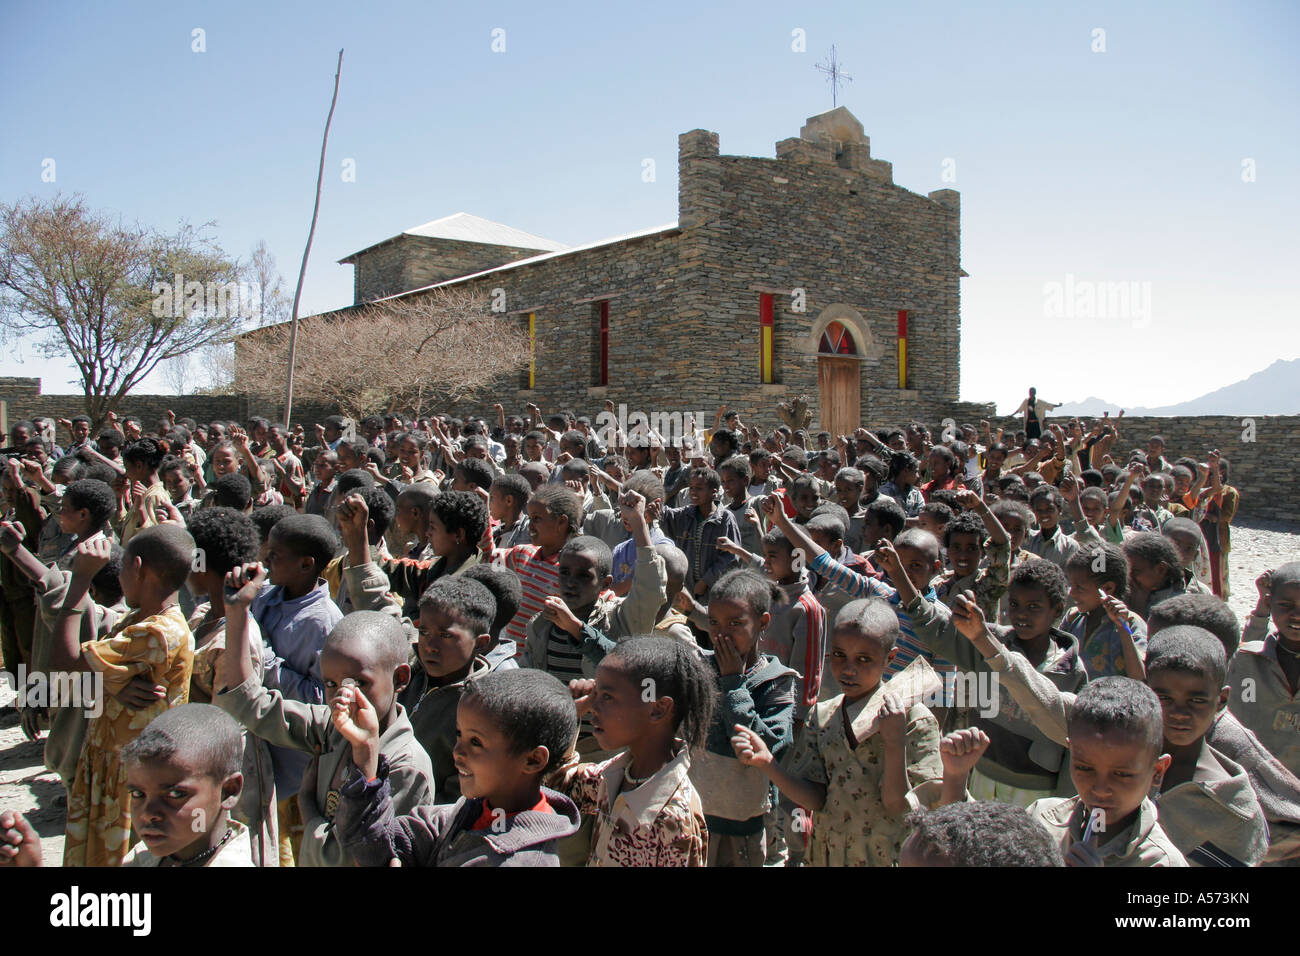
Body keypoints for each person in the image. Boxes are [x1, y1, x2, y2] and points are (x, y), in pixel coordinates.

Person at [216, 565, 434, 866]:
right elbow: (251, 705)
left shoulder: (406, 765)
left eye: (359, 683)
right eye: (330, 684)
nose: (343, 696)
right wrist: (237, 612)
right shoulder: (332, 726)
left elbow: (355, 857)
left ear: (400, 679)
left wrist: (309, 813)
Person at [733, 598, 943, 866]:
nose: (848, 669)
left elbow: (901, 810)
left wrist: (894, 743)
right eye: (839, 655)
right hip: (827, 856)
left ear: (890, 658)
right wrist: (768, 764)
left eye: (864, 659)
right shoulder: (823, 715)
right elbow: (816, 798)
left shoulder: (914, 721)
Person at [48, 528, 196, 866]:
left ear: (139, 567)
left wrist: (79, 582)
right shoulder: (138, 621)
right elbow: (87, 672)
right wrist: (110, 682)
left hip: (128, 782)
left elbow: (61, 666)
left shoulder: (157, 631)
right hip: (114, 772)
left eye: (123, 568)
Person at [333, 670, 582, 866]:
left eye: (476, 742)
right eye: (459, 734)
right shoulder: (461, 815)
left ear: (533, 760)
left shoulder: (523, 860)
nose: (457, 752)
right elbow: (374, 845)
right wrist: (366, 751)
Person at [0, 704, 256, 868]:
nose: (148, 813)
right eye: (138, 794)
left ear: (228, 791)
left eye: (176, 794)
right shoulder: (148, 857)